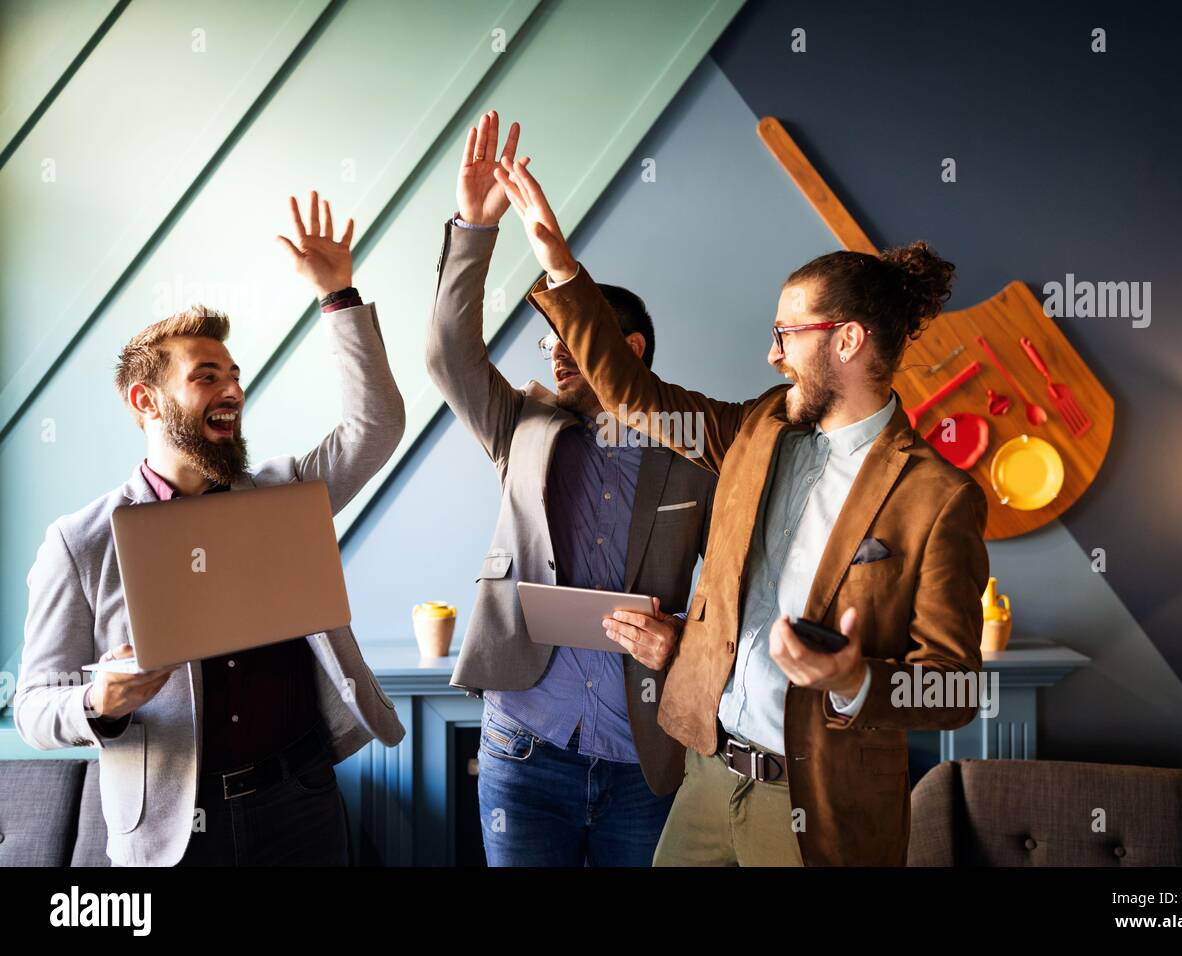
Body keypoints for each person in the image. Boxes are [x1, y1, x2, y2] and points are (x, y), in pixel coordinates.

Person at [493, 154, 989, 866]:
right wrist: (560, 263)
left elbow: (952, 684)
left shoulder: (938, 498)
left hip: (815, 810)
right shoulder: (757, 429)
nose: (772, 353)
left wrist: (853, 680)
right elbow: (634, 396)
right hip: (704, 778)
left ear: (847, 339)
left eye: (786, 334)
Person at [15, 192, 406, 866]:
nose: (231, 390)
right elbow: (32, 707)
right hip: (173, 834)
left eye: (234, 376)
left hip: (302, 800)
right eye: (205, 377)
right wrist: (97, 700)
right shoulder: (79, 544)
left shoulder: (285, 495)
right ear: (146, 401)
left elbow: (376, 430)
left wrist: (338, 294)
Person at [427, 112, 716, 866]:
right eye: (549, 340)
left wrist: (685, 636)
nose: (557, 354)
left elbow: (735, 585)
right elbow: (447, 354)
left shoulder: (693, 447)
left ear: (630, 349)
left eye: (574, 338)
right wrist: (473, 231)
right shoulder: (518, 426)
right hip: (525, 746)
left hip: (644, 760)